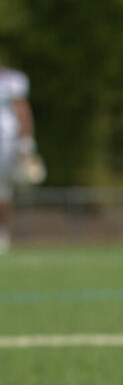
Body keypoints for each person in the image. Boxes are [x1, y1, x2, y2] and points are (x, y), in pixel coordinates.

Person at [0, 56, 43, 253]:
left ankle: (3, 233)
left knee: (2, 190)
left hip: (6, 141)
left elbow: (22, 111)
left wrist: (26, 142)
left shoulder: (13, 81)